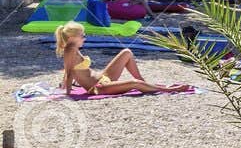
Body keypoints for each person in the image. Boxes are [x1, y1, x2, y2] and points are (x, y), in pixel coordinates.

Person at [55, 23, 187, 95]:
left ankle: (145, 83)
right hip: (98, 87)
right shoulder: (70, 51)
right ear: (72, 38)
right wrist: (67, 92)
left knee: (126, 52)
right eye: (82, 35)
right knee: (134, 83)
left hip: (102, 78)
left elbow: (70, 71)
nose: (85, 38)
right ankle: (169, 90)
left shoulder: (74, 48)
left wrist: (64, 85)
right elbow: (69, 71)